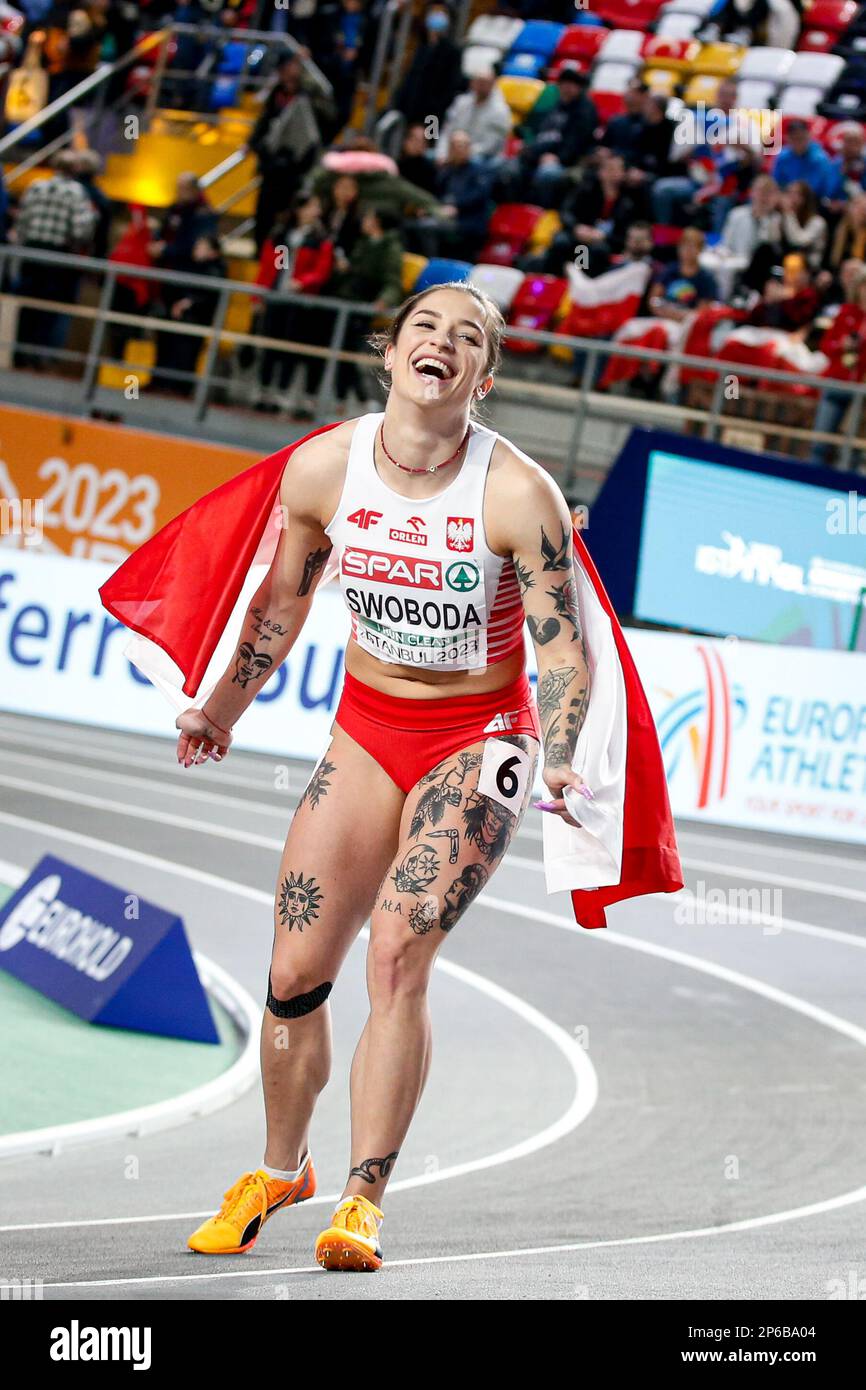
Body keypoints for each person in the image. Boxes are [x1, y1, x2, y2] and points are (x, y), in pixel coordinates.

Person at [98, 277, 682, 1270]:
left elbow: (560, 645)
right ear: (389, 353)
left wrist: (566, 748)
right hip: (365, 729)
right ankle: (282, 1168)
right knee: (291, 973)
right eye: (425, 326)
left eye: (467, 337)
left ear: (481, 376)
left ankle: (361, 1198)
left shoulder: (513, 492)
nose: (442, 344)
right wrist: (218, 711)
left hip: (480, 733)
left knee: (398, 949)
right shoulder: (325, 468)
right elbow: (281, 602)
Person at [12, 148, 98, 367]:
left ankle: (18, 353)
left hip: (30, 253)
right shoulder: (76, 192)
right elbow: (82, 231)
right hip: (56, 257)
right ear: (75, 169)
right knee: (48, 308)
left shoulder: (37, 186)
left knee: (25, 305)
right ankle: (40, 357)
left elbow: (22, 222)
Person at [253, 191, 334, 411]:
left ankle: (281, 390)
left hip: (301, 303)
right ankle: (264, 389)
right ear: (299, 209)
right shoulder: (282, 236)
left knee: (290, 348)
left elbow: (321, 270)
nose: (316, 212)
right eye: (311, 206)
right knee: (270, 345)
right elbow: (272, 266)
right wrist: (259, 294)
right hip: (277, 298)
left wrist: (302, 282)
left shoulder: (319, 239)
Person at [248, 52, 322, 252]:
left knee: (283, 222)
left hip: (294, 170)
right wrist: (254, 144)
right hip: (272, 167)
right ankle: (262, 256)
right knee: (263, 216)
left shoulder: (308, 94)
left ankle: (279, 265)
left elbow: (316, 130)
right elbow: (264, 122)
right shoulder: (276, 94)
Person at [405, 129, 492, 262]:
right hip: (443, 215)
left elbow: (479, 195)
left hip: (467, 219)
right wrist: (428, 207)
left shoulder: (480, 170)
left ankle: (432, 263)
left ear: (469, 148)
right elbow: (437, 194)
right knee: (409, 224)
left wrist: (456, 207)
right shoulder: (446, 171)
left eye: (463, 145)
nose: (459, 149)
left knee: (428, 227)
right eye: (456, 145)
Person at [812, 265, 866, 465]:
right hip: (837, 383)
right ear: (859, 288)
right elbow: (826, 345)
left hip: (861, 392)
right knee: (820, 444)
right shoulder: (845, 312)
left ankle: (848, 491)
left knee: (852, 451)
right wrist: (841, 345)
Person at [437, 68, 512, 165]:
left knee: (475, 162)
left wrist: (461, 153)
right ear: (472, 83)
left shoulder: (501, 111)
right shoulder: (460, 102)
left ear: (493, 85)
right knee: (431, 156)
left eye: (485, 82)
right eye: (478, 81)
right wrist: (442, 153)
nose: (481, 85)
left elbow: (490, 146)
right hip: (453, 151)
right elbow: (447, 131)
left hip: (483, 157)